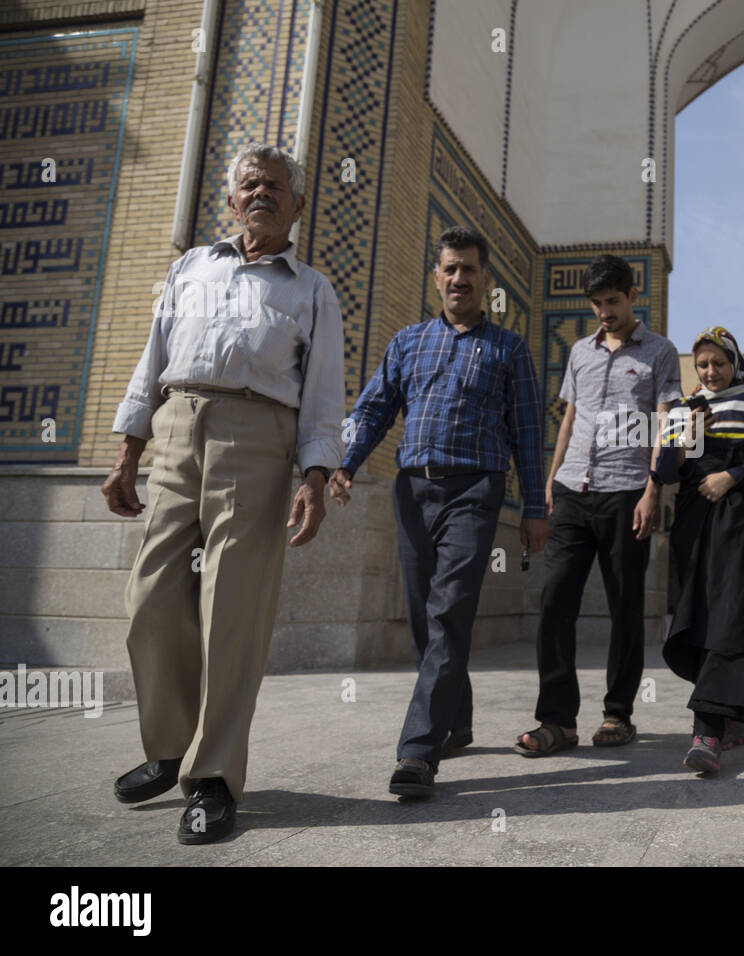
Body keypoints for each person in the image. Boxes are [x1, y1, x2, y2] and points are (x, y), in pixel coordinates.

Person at [102, 143, 345, 844]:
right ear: (231, 201)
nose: (262, 193)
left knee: (231, 612)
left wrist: (314, 476)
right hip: (178, 428)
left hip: (258, 441)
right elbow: (151, 361)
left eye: (276, 186)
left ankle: (212, 779)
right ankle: (170, 746)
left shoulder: (311, 289)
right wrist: (129, 453)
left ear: (297, 206)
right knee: (149, 599)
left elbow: (323, 396)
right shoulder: (190, 267)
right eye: (250, 185)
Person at [329, 225, 548, 799]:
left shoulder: (509, 349)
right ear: (437, 277)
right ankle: (458, 720)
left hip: (474, 493)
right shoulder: (408, 342)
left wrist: (535, 508)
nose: (458, 278)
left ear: (485, 280)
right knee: (426, 620)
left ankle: (417, 752)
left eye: (469, 269)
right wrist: (346, 461)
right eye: (449, 269)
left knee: (450, 613)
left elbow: (527, 436)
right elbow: (374, 407)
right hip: (412, 492)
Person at [515, 256, 680, 757]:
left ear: (632, 295)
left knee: (625, 607)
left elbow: (666, 422)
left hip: (627, 492)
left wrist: (654, 490)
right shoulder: (580, 352)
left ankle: (618, 713)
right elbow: (569, 419)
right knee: (555, 602)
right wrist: (549, 480)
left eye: (612, 301)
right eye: (596, 304)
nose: (604, 312)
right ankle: (557, 720)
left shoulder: (660, 352)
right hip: (571, 491)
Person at [653, 326, 744, 773]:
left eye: (718, 363)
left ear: (734, 362)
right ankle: (732, 714)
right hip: (696, 530)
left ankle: (705, 733)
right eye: (702, 365)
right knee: (702, 622)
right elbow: (665, 472)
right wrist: (684, 438)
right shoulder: (685, 409)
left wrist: (732, 477)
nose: (711, 372)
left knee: (730, 618)